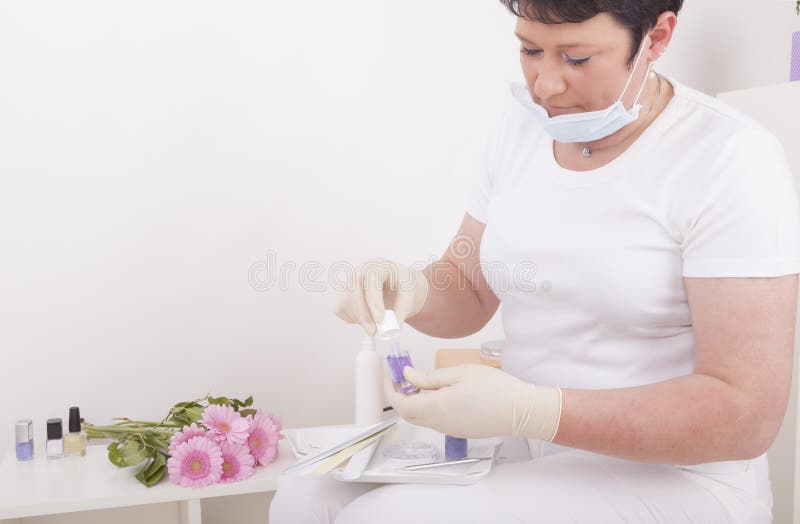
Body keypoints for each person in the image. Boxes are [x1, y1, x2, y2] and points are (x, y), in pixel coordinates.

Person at [270, 1, 800, 522]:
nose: (545, 85)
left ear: (657, 38)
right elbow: (467, 284)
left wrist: (534, 410)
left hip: (680, 478)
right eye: (529, 49)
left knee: (389, 517)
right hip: (531, 452)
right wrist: (409, 289)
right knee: (304, 494)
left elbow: (744, 413)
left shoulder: (729, 159)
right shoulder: (524, 126)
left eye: (576, 58)